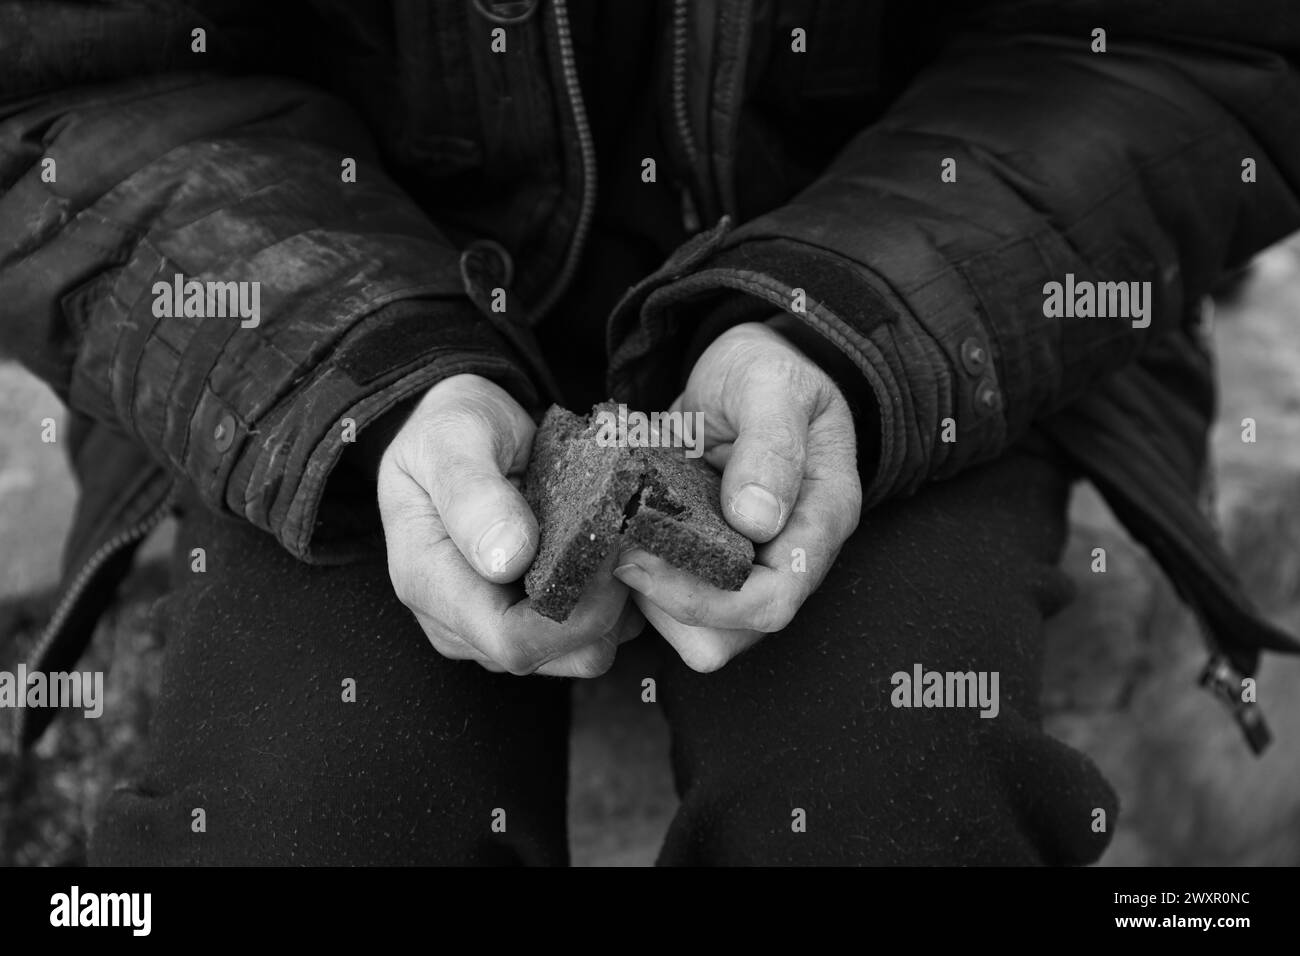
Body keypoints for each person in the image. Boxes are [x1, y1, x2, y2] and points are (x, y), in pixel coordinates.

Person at [2, 0, 1298, 866]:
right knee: (303, 820)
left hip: (941, 294)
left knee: (895, 804)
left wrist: (856, 330)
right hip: (296, 320)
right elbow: (58, 94)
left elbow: (1194, 38)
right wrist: (359, 379)